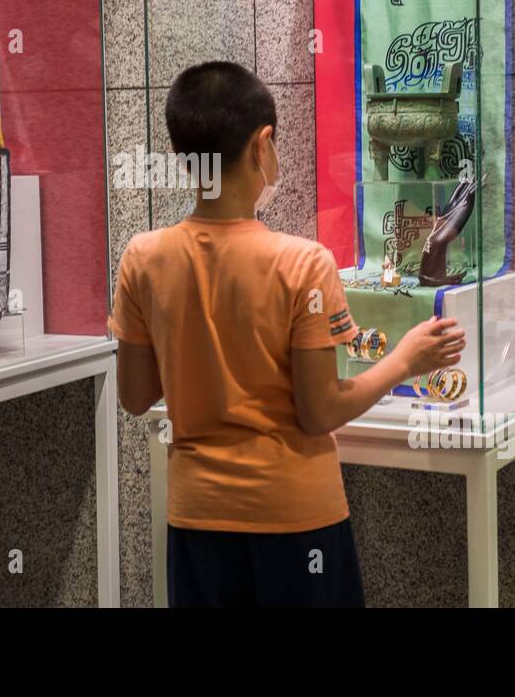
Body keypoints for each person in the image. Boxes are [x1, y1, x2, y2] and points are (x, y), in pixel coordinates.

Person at [110, 60, 466, 607]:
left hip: (197, 519)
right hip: (298, 522)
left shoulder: (142, 258)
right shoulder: (303, 264)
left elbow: (136, 397)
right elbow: (320, 410)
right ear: (263, 144)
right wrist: (405, 361)